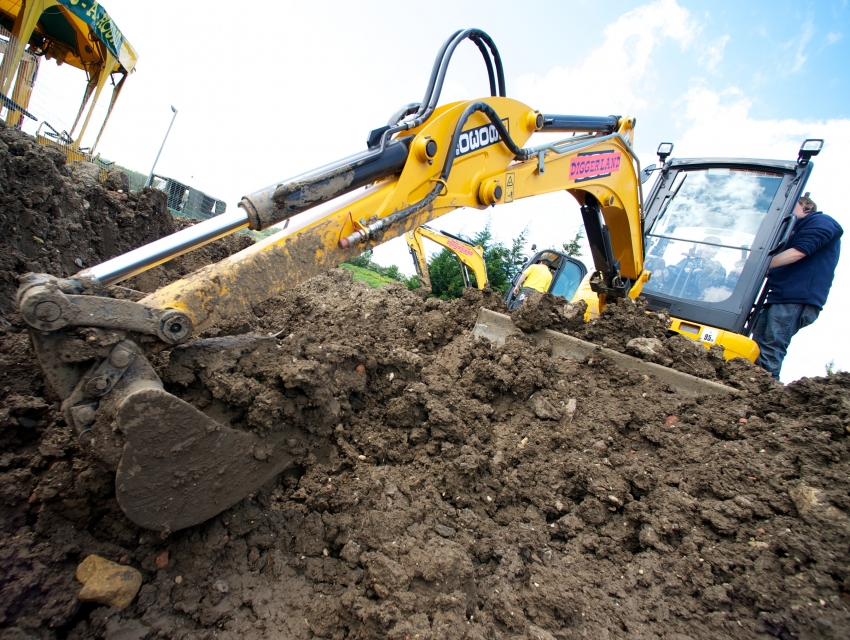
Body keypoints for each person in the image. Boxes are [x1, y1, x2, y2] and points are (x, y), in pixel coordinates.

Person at [752, 193, 842, 380]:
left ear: (807, 206)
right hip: (779, 295)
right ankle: (755, 385)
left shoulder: (821, 221)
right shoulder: (790, 232)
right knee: (758, 343)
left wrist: (756, 267)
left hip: (796, 297)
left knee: (772, 345)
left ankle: (767, 392)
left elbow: (799, 253)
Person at [656, 236, 727, 300]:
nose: (708, 249)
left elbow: (718, 283)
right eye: (706, 245)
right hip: (677, 289)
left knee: (701, 273)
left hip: (696, 292)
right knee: (676, 268)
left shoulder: (716, 266)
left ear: (716, 252)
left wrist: (696, 271)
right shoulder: (687, 260)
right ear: (699, 246)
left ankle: (704, 281)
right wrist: (685, 270)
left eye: (713, 247)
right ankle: (663, 274)